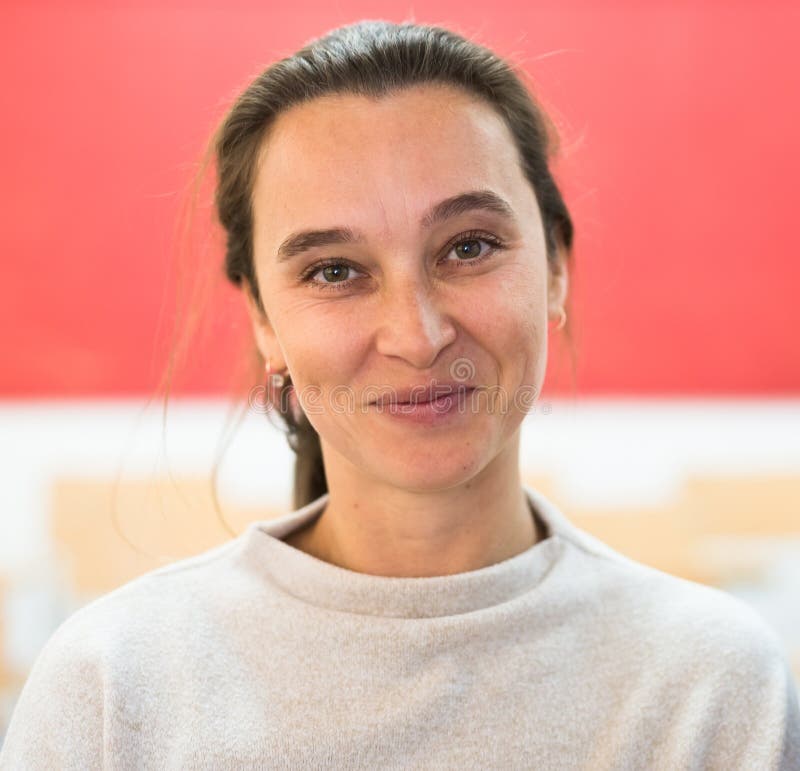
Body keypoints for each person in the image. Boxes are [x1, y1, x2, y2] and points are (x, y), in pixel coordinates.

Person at [1, 19, 798, 770]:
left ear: (555, 267)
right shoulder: (112, 688)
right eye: (334, 271)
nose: (417, 336)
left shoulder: (715, 686)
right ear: (263, 319)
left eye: (468, 246)